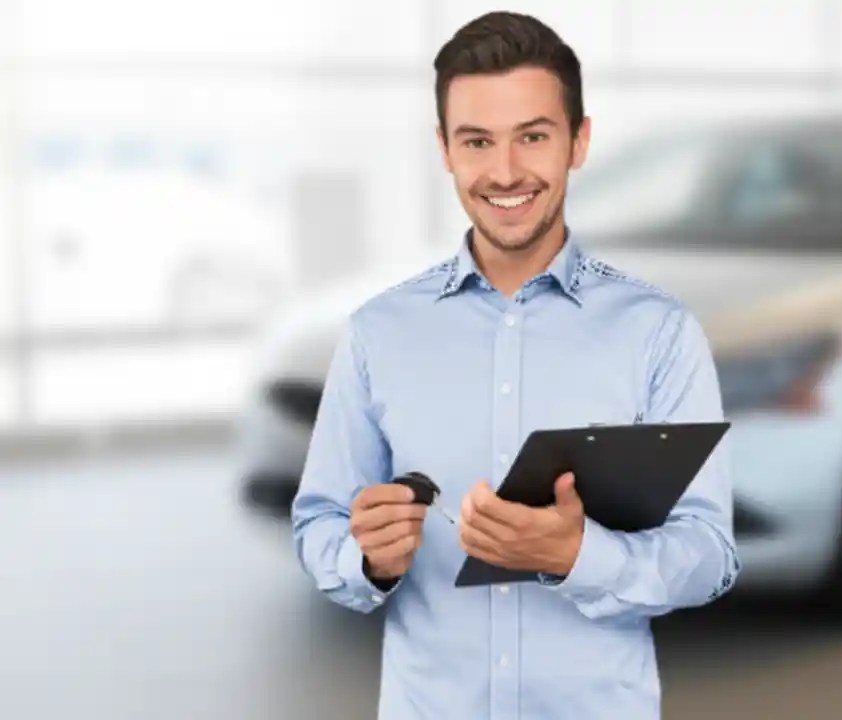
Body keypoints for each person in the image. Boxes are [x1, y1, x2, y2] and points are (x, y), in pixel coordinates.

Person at [291, 11, 739, 719]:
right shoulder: (378, 333)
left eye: (532, 136)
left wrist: (578, 554)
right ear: (444, 149)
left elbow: (709, 556)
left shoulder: (659, 332)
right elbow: (319, 524)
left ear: (578, 141)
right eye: (477, 141)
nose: (504, 172)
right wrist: (367, 560)